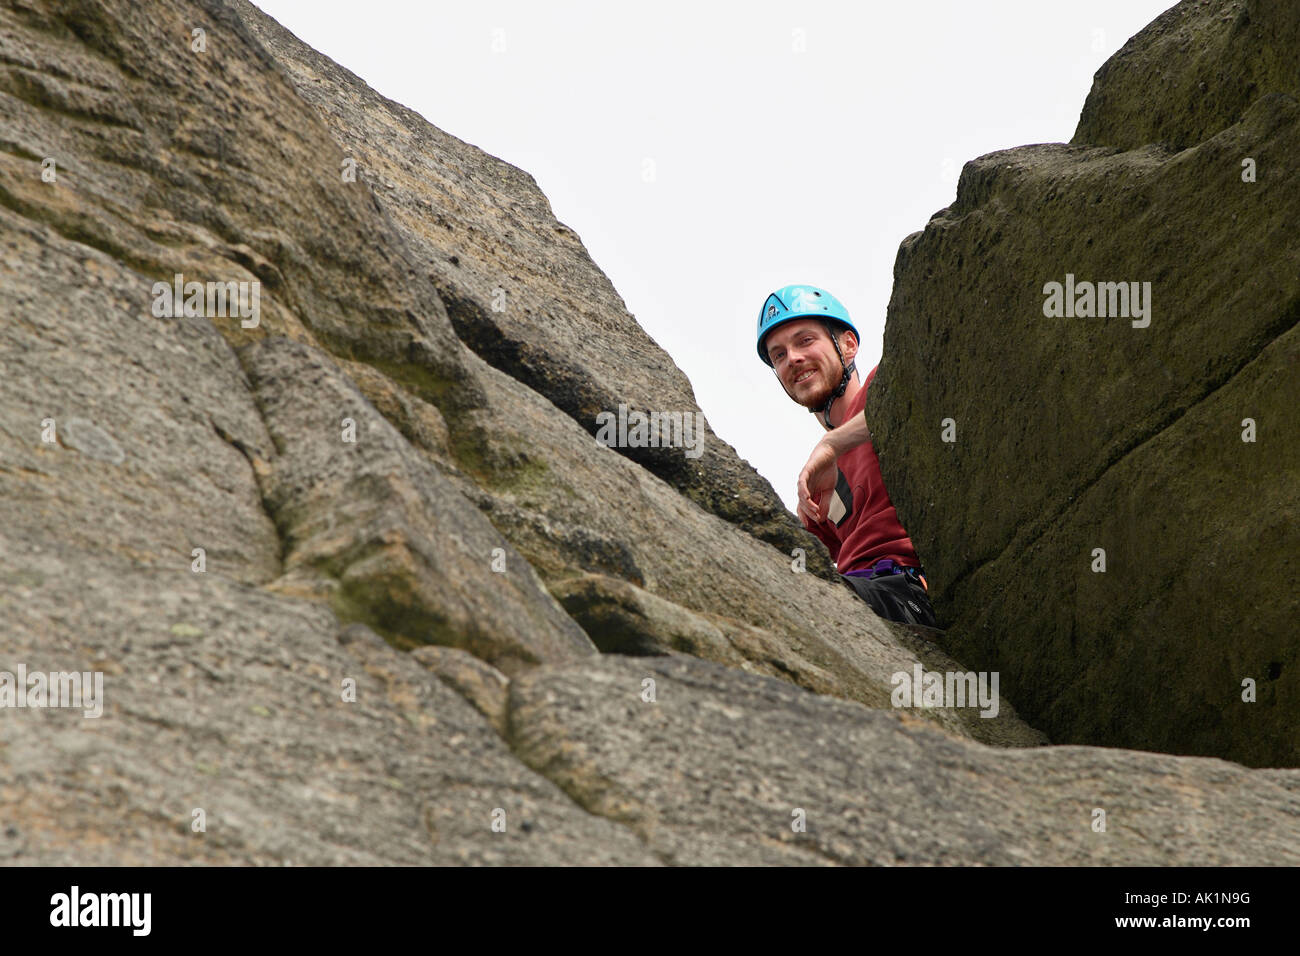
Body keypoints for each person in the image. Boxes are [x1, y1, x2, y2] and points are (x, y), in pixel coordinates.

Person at [756, 284, 939, 629]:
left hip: (906, 591)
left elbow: (909, 397)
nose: (792, 358)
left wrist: (832, 445)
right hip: (855, 592)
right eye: (778, 355)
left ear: (848, 346)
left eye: (805, 340)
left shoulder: (882, 386)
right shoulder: (817, 483)